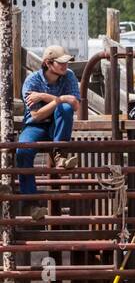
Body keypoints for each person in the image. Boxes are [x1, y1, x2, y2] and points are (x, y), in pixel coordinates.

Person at [17, 44, 80, 198]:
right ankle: (30, 201)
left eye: (66, 62)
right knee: (23, 152)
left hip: (57, 125)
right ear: (48, 63)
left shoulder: (69, 75)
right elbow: (36, 115)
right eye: (61, 62)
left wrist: (46, 97)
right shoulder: (32, 81)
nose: (65, 66)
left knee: (65, 108)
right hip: (36, 125)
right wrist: (61, 100)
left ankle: (59, 153)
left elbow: (75, 105)